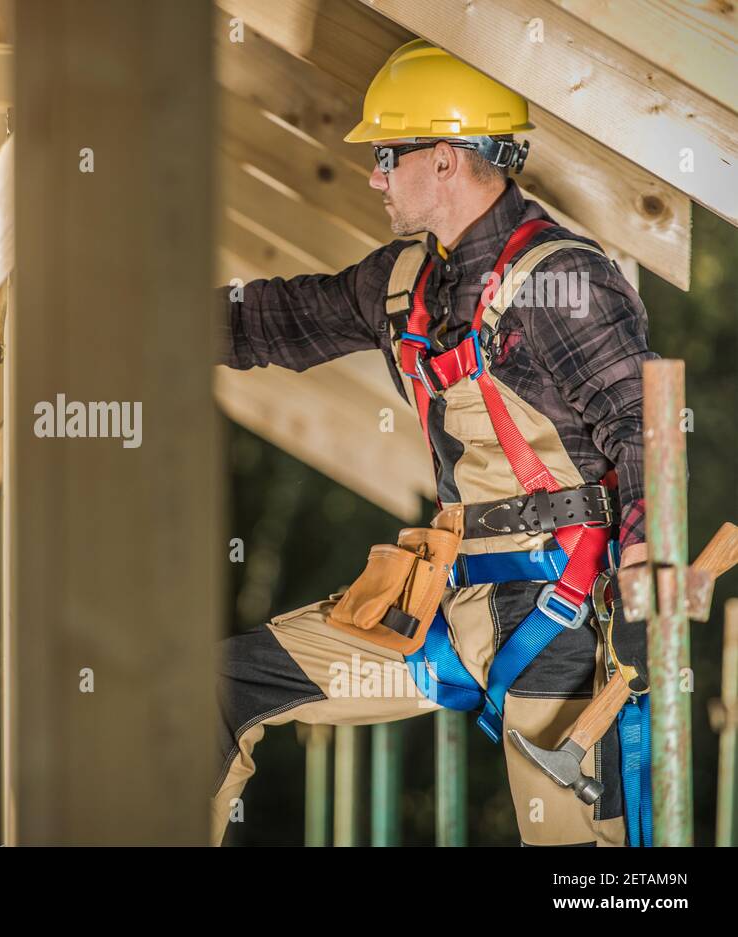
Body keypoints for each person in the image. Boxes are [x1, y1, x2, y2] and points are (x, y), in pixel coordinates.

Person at [213, 40, 655, 847]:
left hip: (560, 616)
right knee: (219, 686)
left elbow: (643, 428)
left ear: (447, 160)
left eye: (389, 155)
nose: (375, 175)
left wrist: (643, 572)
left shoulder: (565, 282)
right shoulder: (403, 285)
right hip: (441, 610)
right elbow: (267, 319)